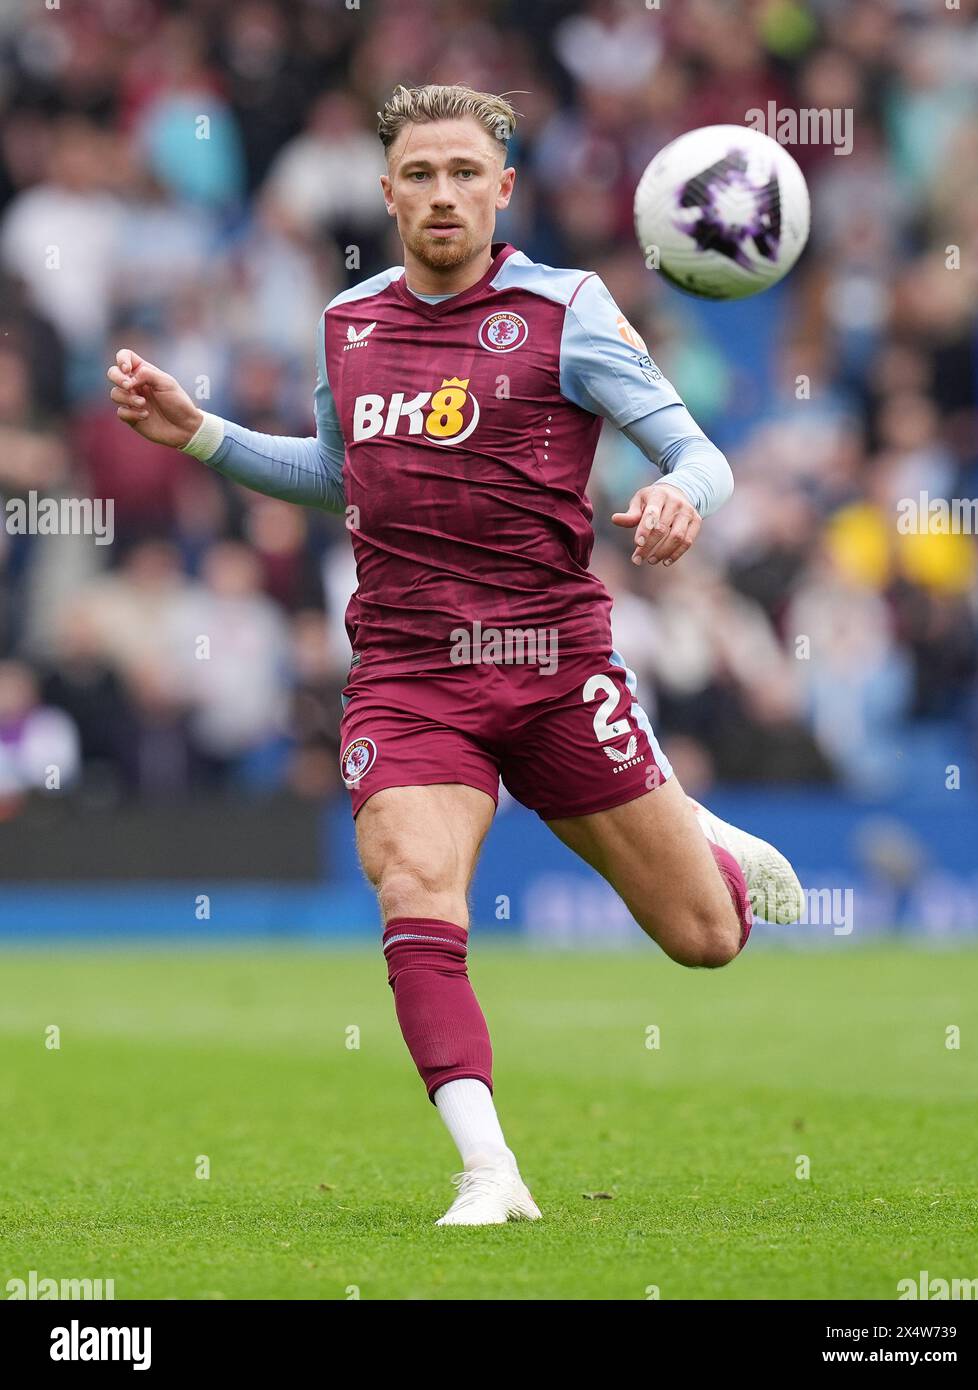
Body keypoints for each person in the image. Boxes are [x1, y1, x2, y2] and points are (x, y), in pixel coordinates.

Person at [107, 84, 803, 1227]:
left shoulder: (567, 308)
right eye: (420, 175)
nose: (442, 195)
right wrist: (202, 434)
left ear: (503, 190)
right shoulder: (348, 322)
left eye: (464, 174)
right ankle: (489, 1172)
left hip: (552, 664)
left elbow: (698, 452)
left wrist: (679, 492)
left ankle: (701, 838)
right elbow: (342, 478)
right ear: (385, 191)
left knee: (704, 939)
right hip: (407, 672)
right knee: (416, 886)